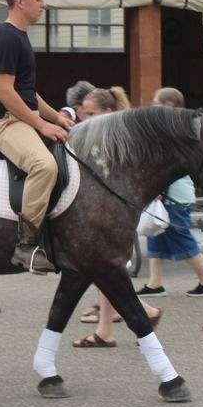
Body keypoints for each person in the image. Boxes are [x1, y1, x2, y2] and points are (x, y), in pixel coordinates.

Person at [0, 0, 74, 273]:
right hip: (3, 121)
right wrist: (42, 125)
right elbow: (5, 93)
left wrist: (57, 118)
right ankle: (26, 245)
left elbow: (28, 93)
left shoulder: (19, 37)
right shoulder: (6, 38)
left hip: (20, 116)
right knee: (44, 166)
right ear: (20, 2)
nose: (43, 5)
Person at [72, 86, 165, 348]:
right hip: (103, 214)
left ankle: (140, 315)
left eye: (91, 114)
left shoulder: (120, 138)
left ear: (107, 112)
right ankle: (108, 329)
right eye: (83, 113)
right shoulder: (99, 136)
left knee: (106, 271)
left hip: (115, 216)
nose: (84, 118)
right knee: (105, 272)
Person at [135, 87, 203, 297]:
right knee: (156, 234)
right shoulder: (175, 130)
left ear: (168, 106)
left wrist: (157, 189)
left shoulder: (171, 133)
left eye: (156, 103)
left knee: (179, 235)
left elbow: (167, 165)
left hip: (173, 195)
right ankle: (155, 283)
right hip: (170, 194)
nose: (153, 107)